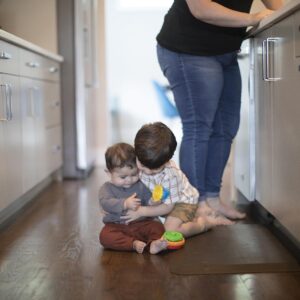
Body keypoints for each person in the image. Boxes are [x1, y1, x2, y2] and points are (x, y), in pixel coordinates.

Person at [155, 0, 283, 219]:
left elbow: (278, 6)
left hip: (225, 52)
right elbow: (201, 9)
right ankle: (194, 204)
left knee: (226, 128)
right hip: (188, 49)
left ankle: (212, 199)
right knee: (199, 127)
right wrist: (253, 18)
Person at [122, 122, 234, 238]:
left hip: (182, 202)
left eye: (155, 170)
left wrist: (142, 211)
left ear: (167, 161)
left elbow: (168, 207)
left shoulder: (171, 175)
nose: (148, 172)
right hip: (159, 201)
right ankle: (191, 217)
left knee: (169, 231)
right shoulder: (137, 159)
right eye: (143, 166)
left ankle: (203, 224)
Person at [99, 142, 168, 254]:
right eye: (123, 177)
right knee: (105, 236)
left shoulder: (141, 185)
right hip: (117, 226)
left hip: (141, 224)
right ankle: (133, 244)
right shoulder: (106, 188)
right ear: (109, 173)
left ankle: (154, 244)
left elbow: (148, 201)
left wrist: (154, 201)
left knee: (158, 227)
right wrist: (125, 203)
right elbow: (105, 203)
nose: (129, 180)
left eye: (134, 174)